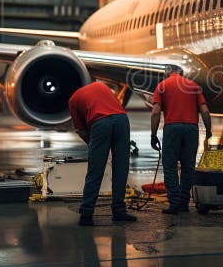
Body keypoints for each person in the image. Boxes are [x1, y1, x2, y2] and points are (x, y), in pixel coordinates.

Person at [68, 81, 136, 226]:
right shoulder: (99, 85)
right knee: (121, 169)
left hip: (100, 123)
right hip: (122, 120)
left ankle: (86, 214)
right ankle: (119, 211)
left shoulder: (72, 100)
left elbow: (81, 130)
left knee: (95, 171)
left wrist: (94, 146)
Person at [150, 66, 212, 214]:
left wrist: (153, 134)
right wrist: (209, 131)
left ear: (167, 74)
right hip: (191, 128)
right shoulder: (193, 86)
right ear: (181, 73)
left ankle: (174, 204)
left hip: (172, 128)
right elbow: (205, 111)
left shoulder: (162, 86)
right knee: (188, 166)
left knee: (170, 166)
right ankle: (184, 202)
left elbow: (155, 112)